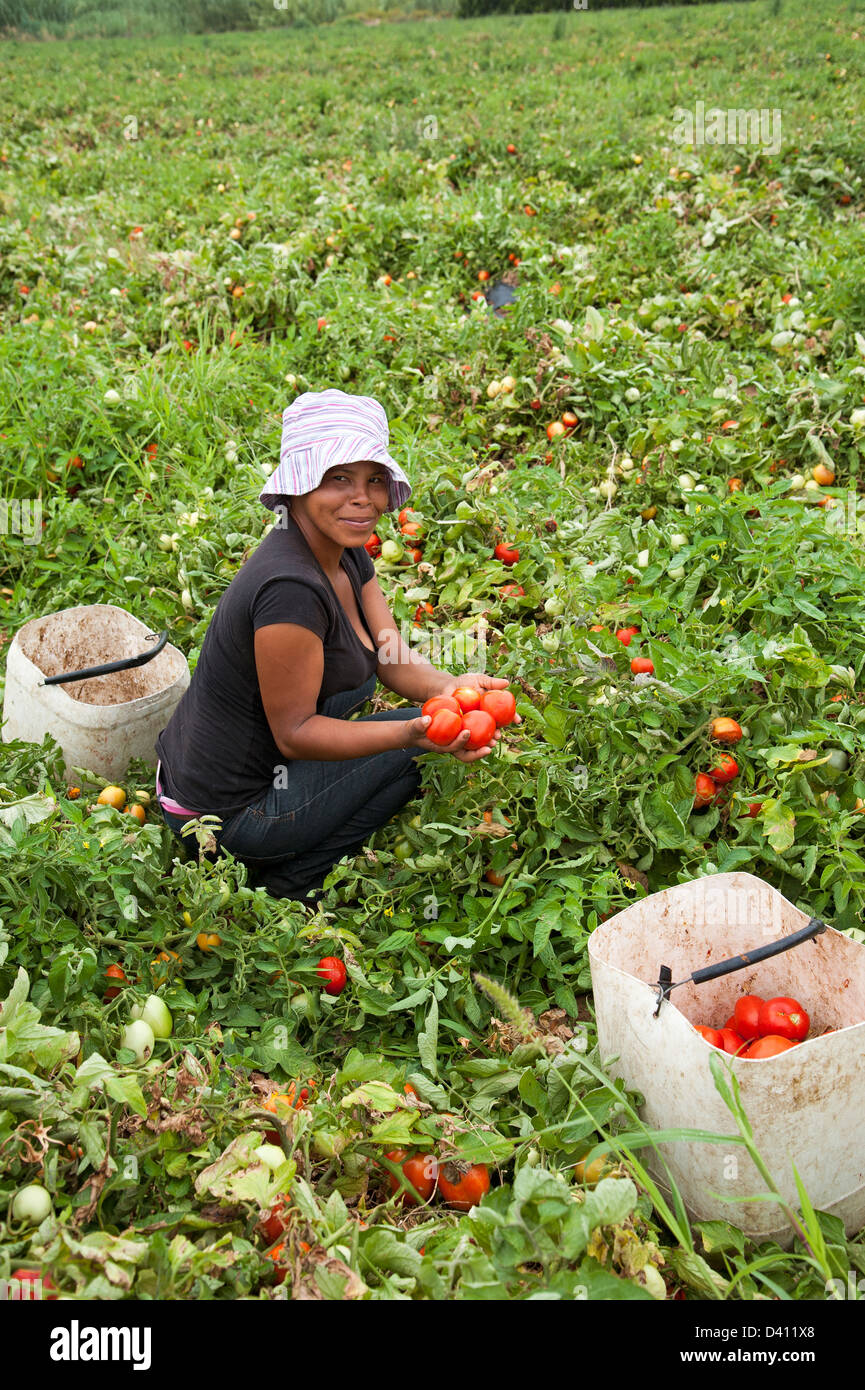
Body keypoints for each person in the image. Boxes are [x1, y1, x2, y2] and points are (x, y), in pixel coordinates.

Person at [154, 389, 518, 903]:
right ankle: (289, 881)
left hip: (214, 773)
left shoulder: (342, 549)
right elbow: (296, 736)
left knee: (375, 694)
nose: (363, 498)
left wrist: (450, 687)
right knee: (409, 759)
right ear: (299, 485)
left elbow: (389, 654)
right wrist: (412, 731)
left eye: (374, 480)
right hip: (220, 818)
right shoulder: (291, 590)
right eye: (338, 478)